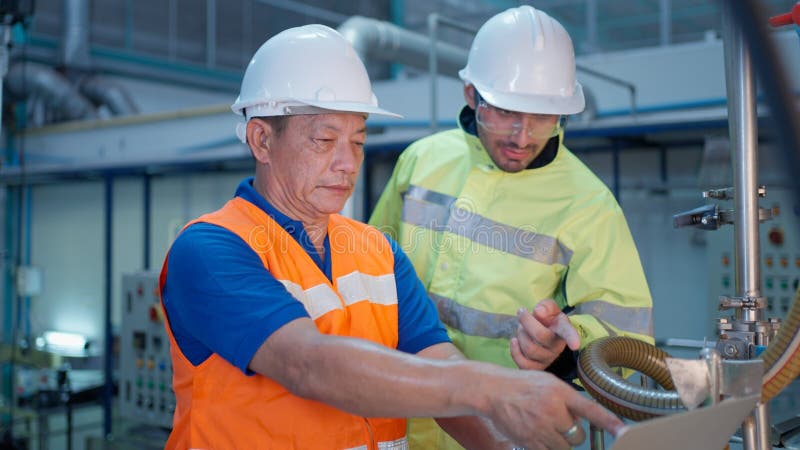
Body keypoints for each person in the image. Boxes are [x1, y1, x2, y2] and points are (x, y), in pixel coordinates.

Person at [158, 23, 623, 450]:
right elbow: (308, 364)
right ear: (262, 140)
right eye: (324, 140)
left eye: (358, 141)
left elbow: (439, 364)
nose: (348, 163)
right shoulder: (209, 250)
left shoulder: (378, 251)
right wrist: (493, 387)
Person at [368, 5, 654, 449]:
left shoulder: (588, 204)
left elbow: (629, 339)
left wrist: (565, 352)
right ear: (471, 95)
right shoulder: (421, 161)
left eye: (542, 117)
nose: (523, 137)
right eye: (505, 112)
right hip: (395, 423)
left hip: (501, 435)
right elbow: (367, 272)